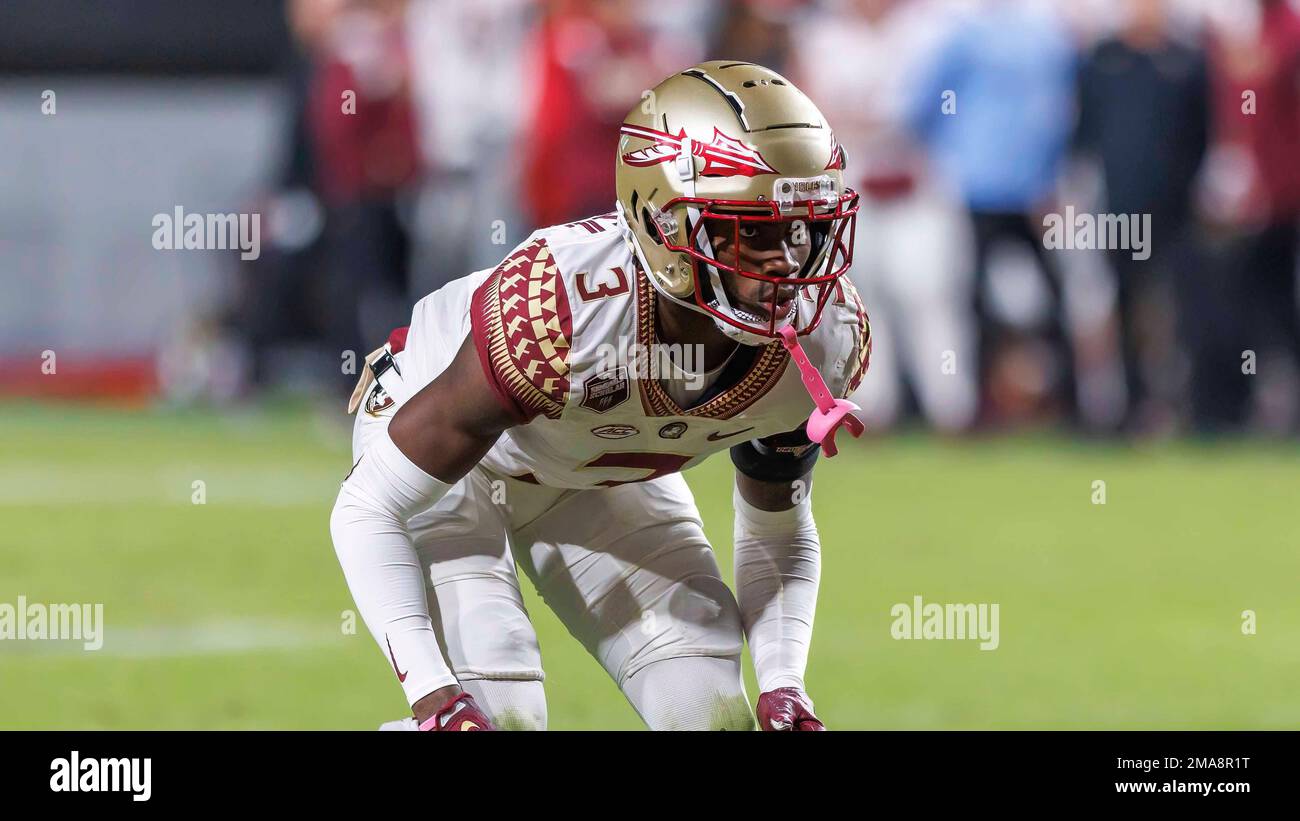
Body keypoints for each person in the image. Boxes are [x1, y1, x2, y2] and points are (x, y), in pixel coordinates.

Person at [330, 61, 869, 730]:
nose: (788, 267)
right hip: (463, 465)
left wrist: (784, 682)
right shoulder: (559, 310)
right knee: (502, 719)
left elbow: (777, 528)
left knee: (713, 716)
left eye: (804, 230)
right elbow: (366, 507)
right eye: (752, 233)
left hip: (593, 466)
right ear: (664, 221)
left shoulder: (824, 336)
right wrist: (435, 696)